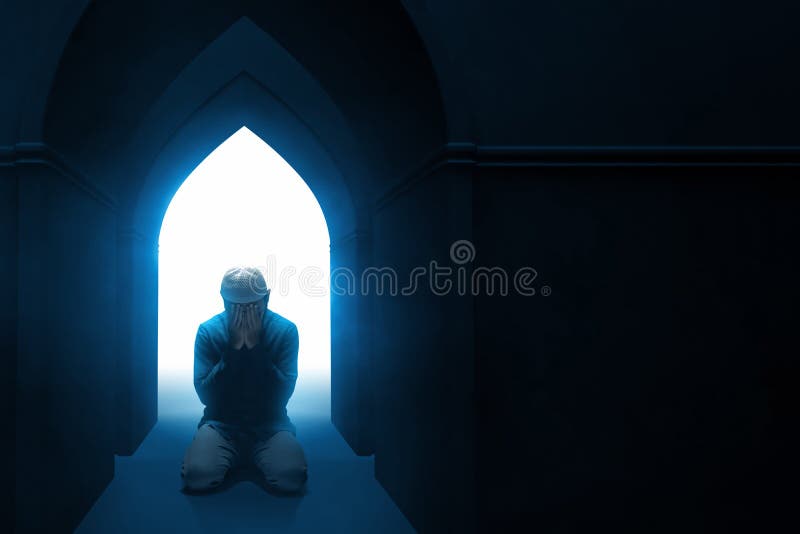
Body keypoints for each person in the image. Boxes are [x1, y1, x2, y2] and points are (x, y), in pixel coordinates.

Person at [180, 266, 308, 494]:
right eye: (236, 308)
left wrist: (256, 348)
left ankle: (252, 457)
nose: (244, 315)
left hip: (270, 425)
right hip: (221, 424)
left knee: (292, 477)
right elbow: (205, 395)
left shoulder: (286, 331)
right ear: (223, 301)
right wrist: (233, 350)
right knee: (197, 476)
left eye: (251, 306)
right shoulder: (208, 331)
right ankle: (211, 454)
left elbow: (282, 396)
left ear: (266, 298)